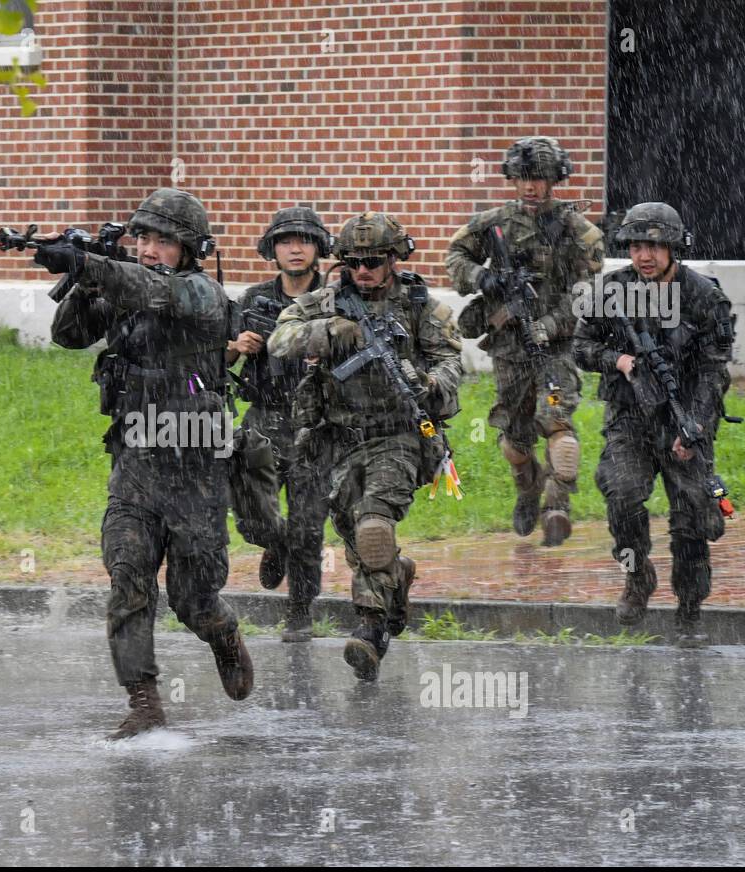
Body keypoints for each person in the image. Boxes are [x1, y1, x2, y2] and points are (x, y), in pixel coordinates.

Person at [48, 187, 254, 738]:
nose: (149, 249)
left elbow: (152, 290)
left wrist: (95, 264)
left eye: (164, 241)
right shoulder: (121, 282)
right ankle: (143, 701)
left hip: (195, 463)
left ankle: (222, 633)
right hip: (137, 458)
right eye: (143, 238)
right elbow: (67, 335)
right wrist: (82, 279)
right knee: (128, 574)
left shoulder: (200, 292)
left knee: (192, 596)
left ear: (188, 250)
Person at [269, 213, 463, 681]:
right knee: (357, 541)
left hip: (397, 435)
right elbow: (280, 339)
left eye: (374, 262)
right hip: (336, 440)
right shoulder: (325, 302)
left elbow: (451, 363)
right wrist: (330, 333)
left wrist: (430, 382)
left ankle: (370, 630)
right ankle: (397, 575)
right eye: (354, 262)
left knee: (375, 525)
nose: (363, 271)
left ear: (394, 259)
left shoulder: (420, 305)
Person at [573, 202, 737, 648]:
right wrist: (616, 359)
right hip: (629, 418)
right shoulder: (613, 291)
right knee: (622, 496)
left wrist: (695, 428)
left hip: (685, 419)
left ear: (674, 247)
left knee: (693, 518)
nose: (644, 255)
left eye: (654, 245)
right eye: (636, 245)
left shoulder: (703, 296)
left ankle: (689, 610)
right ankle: (637, 576)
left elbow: (714, 370)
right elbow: (581, 346)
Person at [445, 136, 604, 546]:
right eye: (523, 179)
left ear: (555, 180)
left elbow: (587, 295)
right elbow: (456, 256)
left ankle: (558, 506)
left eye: (540, 179)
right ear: (512, 179)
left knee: (556, 422)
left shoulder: (577, 231)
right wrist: (483, 277)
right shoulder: (493, 223)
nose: (531, 187)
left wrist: (549, 325)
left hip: (555, 348)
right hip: (509, 348)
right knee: (515, 441)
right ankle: (528, 488)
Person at [228, 206, 334, 640]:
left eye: (304, 240)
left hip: (318, 426)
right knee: (253, 512)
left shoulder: (335, 299)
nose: (295, 248)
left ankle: (300, 611)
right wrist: (237, 345)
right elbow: (221, 360)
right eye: (286, 240)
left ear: (318, 249)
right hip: (264, 418)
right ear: (272, 249)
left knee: (309, 524)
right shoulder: (253, 299)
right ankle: (274, 542)